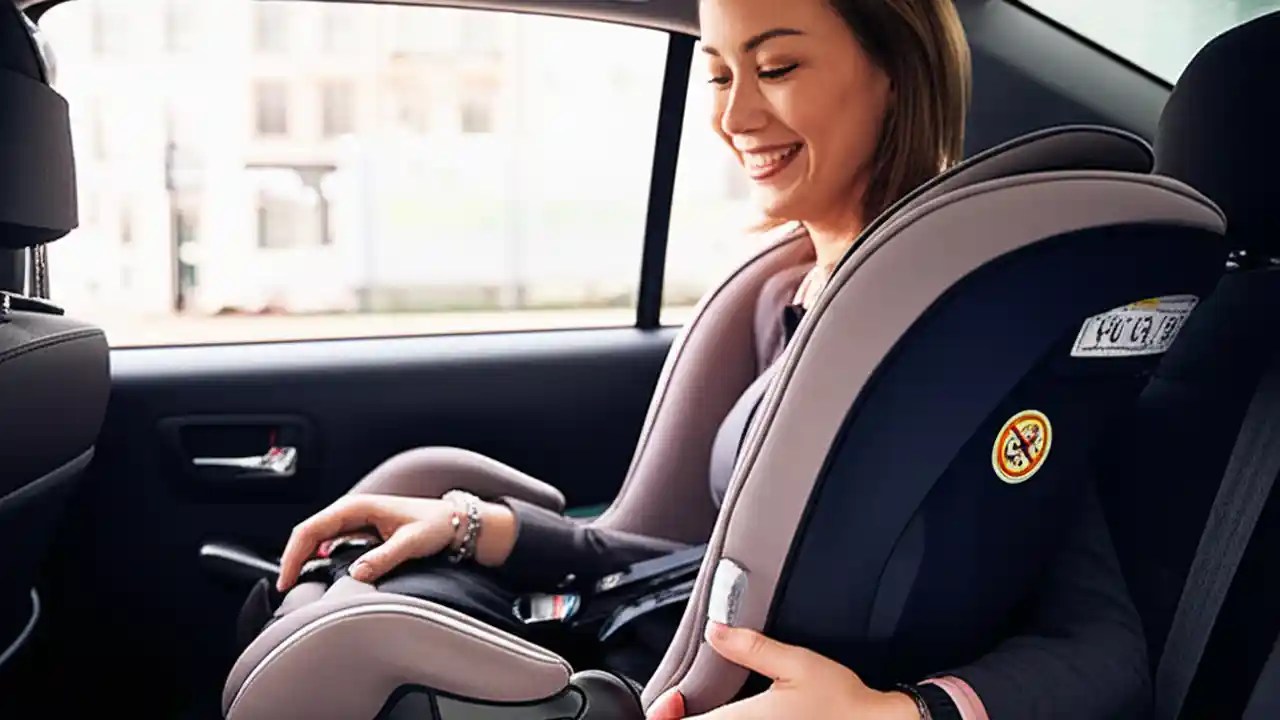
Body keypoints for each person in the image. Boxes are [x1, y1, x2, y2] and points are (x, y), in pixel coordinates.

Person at [273, 1, 1151, 717]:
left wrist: (903, 715)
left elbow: (1102, 650)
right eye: (721, 75)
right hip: (635, 652)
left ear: (895, 74)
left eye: (775, 69)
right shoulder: (789, 294)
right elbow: (689, 552)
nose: (734, 118)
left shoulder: (984, 329)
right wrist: (471, 525)